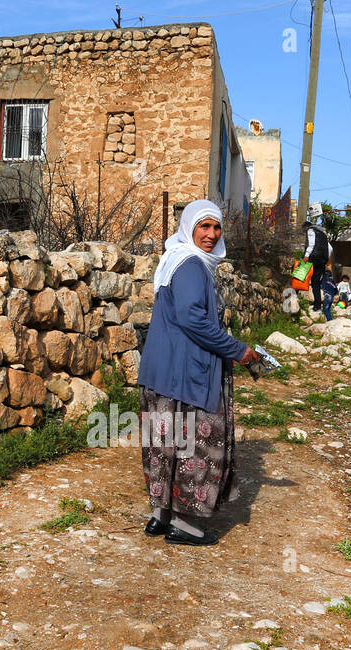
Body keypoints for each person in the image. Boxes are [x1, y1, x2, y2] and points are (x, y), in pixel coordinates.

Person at [136, 199, 258, 546]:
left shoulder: (175, 260)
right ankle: (184, 523)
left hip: (162, 373)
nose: (211, 234)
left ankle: (160, 515)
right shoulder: (191, 266)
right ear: (189, 227)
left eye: (216, 227)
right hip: (186, 375)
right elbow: (193, 318)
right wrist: (238, 351)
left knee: (165, 444)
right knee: (197, 447)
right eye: (204, 226)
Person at [303, 218, 330, 314]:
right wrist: (325, 260)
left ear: (306, 227)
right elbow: (330, 248)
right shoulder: (322, 234)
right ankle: (318, 305)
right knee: (316, 283)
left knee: (300, 276)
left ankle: (296, 300)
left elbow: (311, 244)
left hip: (313, 259)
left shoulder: (310, 231)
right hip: (322, 261)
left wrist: (306, 255)